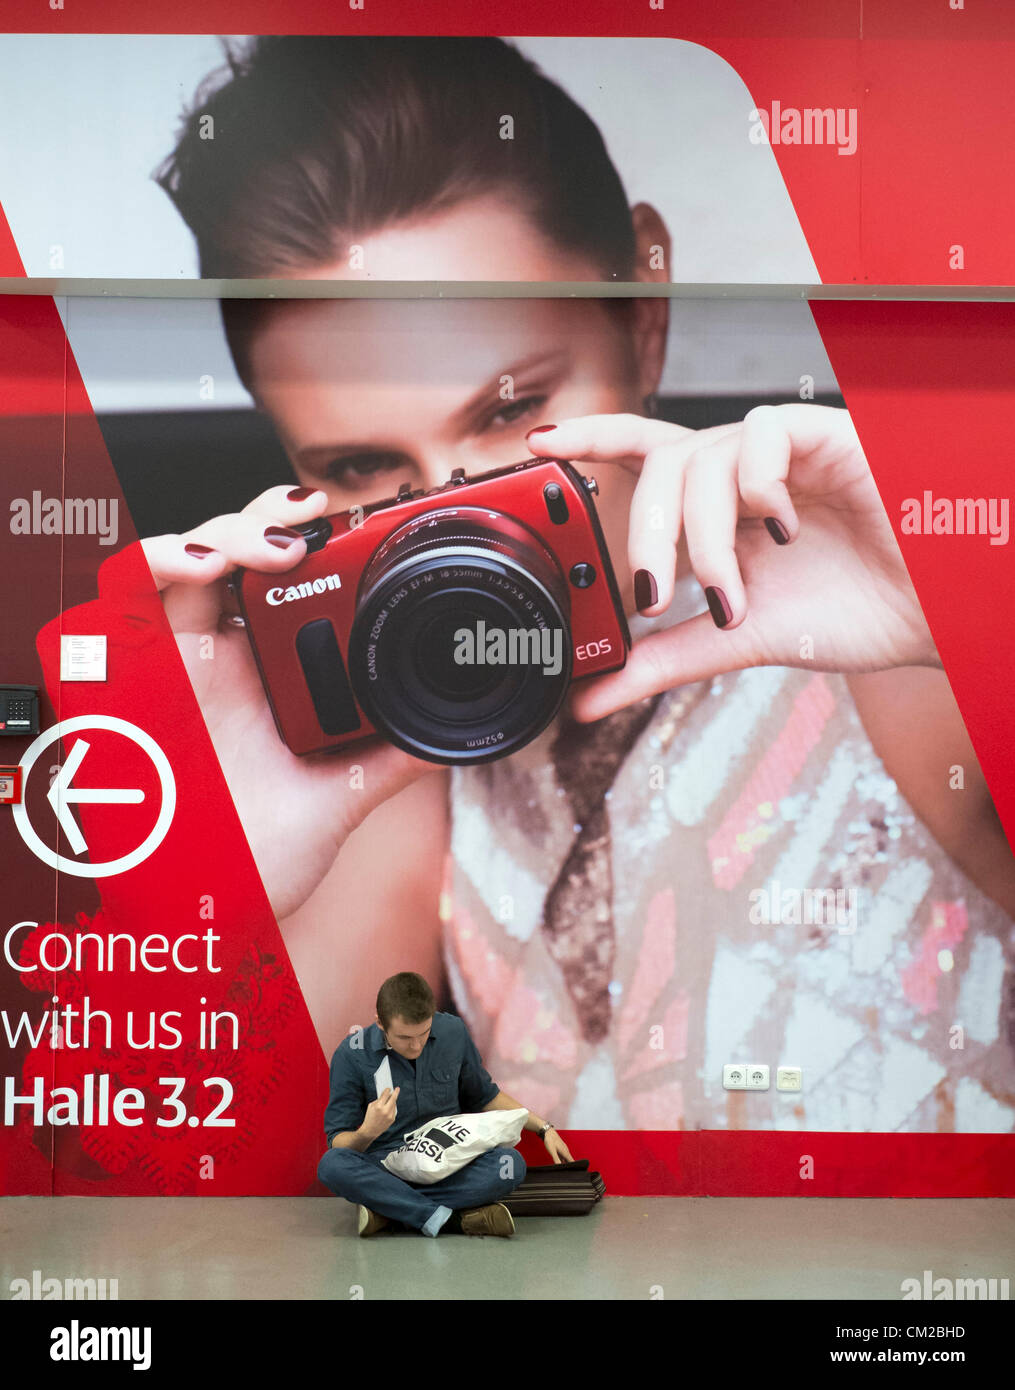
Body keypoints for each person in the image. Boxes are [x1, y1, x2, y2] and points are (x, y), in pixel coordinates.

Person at [142, 36, 1015, 1142]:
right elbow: (200, 1201)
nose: (456, 526)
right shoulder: (389, 782)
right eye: (362, 470)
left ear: (642, 306)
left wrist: (970, 600)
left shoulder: (881, 655)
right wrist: (187, 880)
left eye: (511, 413)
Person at [318, 971, 571, 1237]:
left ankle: (390, 1208)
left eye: (424, 1033)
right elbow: (338, 1140)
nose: (416, 1045)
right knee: (333, 1165)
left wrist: (544, 1128)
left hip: (449, 1160)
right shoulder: (352, 1053)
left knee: (509, 1165)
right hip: (388, 1166)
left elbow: (485, 1096)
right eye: (404, 1038)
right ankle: (448, 1220)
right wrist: (367, 1131)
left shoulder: (453, 1031)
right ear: (380, 1023)